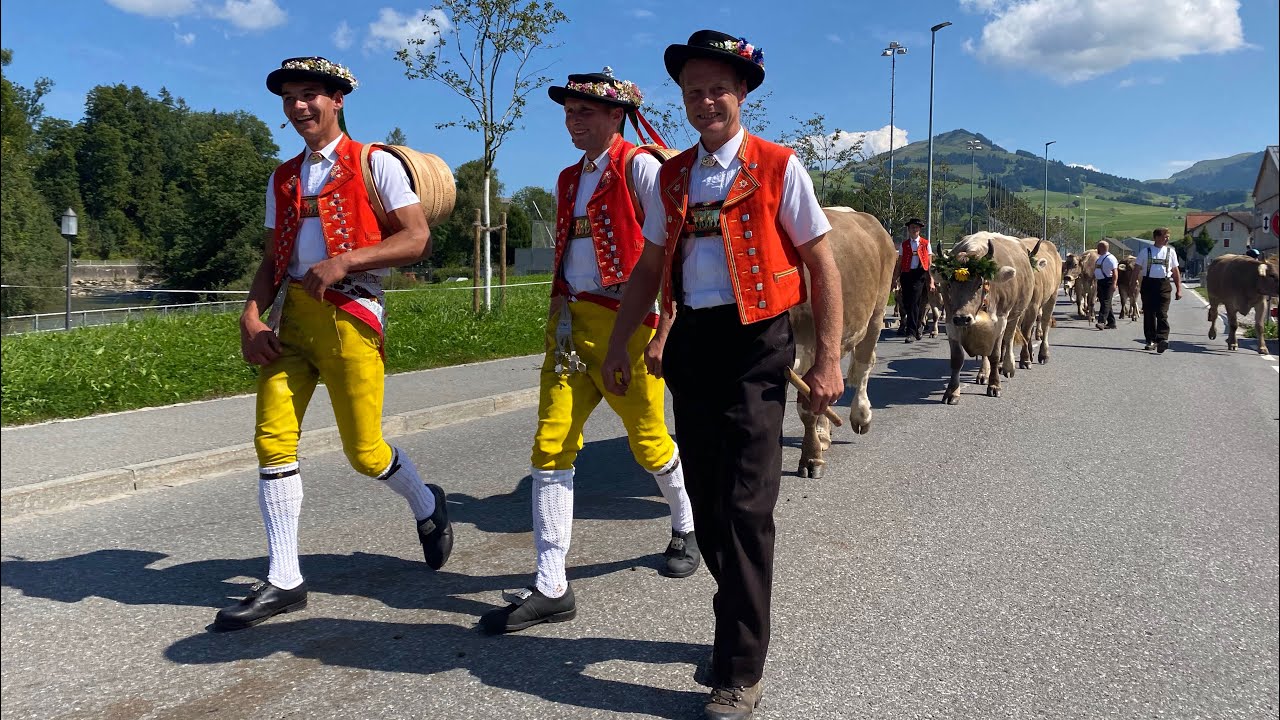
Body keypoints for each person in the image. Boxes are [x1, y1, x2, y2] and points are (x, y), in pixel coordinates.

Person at [601, 30, 844, 719]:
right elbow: (650, 268)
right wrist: (623, 343)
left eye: (718, 89)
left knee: (743, 507)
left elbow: (820, 265)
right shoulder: (671, 175)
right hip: (692, 345)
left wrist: (827, 358)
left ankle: (738, 668)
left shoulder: (777, 166)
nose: (706, 101)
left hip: (757, 343)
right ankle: (735, 617)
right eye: (693, 91)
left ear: (742, 95)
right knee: (708, 506)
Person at [215, 57, 453, 631]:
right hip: (293, 321)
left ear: (338, 99)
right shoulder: (283, 177)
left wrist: (346, 259)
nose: (300, 106)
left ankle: (428, 504)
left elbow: (416, 239)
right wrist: (250, 315)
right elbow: (275, 258)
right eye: (290, 97)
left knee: (364, 452)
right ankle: (285, 578)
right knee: (272, 441)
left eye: (311, 95)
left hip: (351, 316)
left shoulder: (375, 163)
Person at [480, 70, 699, 635]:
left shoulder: (641, 167)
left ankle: (685, 524)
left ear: (616, 116)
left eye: (586, 112)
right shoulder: (566, 178)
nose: (574, 121)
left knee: (649, 441)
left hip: (628, 323)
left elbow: (669, 251)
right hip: (569, 323)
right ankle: (551, 582)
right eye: (569, 112)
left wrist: (664, 328)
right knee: (550, 443)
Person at [1134, 227, 1183, 353]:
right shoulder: (1145, 252)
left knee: (1162, 313)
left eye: (1168, 237)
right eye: (1164, 237)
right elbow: (1136, 269)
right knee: (1149, 314)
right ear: (1156, 237)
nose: (1167, 239)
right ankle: (1150, 340)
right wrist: (1132, 284)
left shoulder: (1170, 252)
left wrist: (1179, 289)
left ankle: (1162, 339)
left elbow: (1175, 271)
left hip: (1164, 285)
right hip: (1148, 284)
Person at [891, 218, 933, 342]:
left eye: (916, 228)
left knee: (914, 302)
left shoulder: (925, 243)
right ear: (909, 230)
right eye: (912, 228)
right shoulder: (904, 245)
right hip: (906, 275)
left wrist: (931, 281)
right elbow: (899, 263)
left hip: (919, 275)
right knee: (907, 303)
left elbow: (929, 263)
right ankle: (919, 325)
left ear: (919, 230)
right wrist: (895, 279)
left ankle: (911, 332)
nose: (914, 230)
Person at [1093, 240, 1118, 330]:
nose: (1097, 249)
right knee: (1105, 302)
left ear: (1102, 247)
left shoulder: (1110, 258)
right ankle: (1112, 323)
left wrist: (1114, 284)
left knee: (1105, 302)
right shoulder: (1101, 258)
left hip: (1108, 282)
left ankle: (1101, 322)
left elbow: (1115, 272)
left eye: (1098, 247)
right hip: (1101, 282)